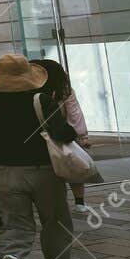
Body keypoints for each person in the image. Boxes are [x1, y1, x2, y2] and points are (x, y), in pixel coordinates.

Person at [0, 55, 79, 259]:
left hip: (0, 171)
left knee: (15, 223)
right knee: (55, 222)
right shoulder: (41, 100)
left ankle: (12, 257)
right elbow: (64, 133)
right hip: (42, 170)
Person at [34, 58, 90, 212]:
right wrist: (81, 136)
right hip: (61, 134)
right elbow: (75, 114)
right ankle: (79, 202)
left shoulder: (32, 91)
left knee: (49, 169)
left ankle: (51, 201)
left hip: (40, 136)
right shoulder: (65, 91)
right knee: (72, 165)